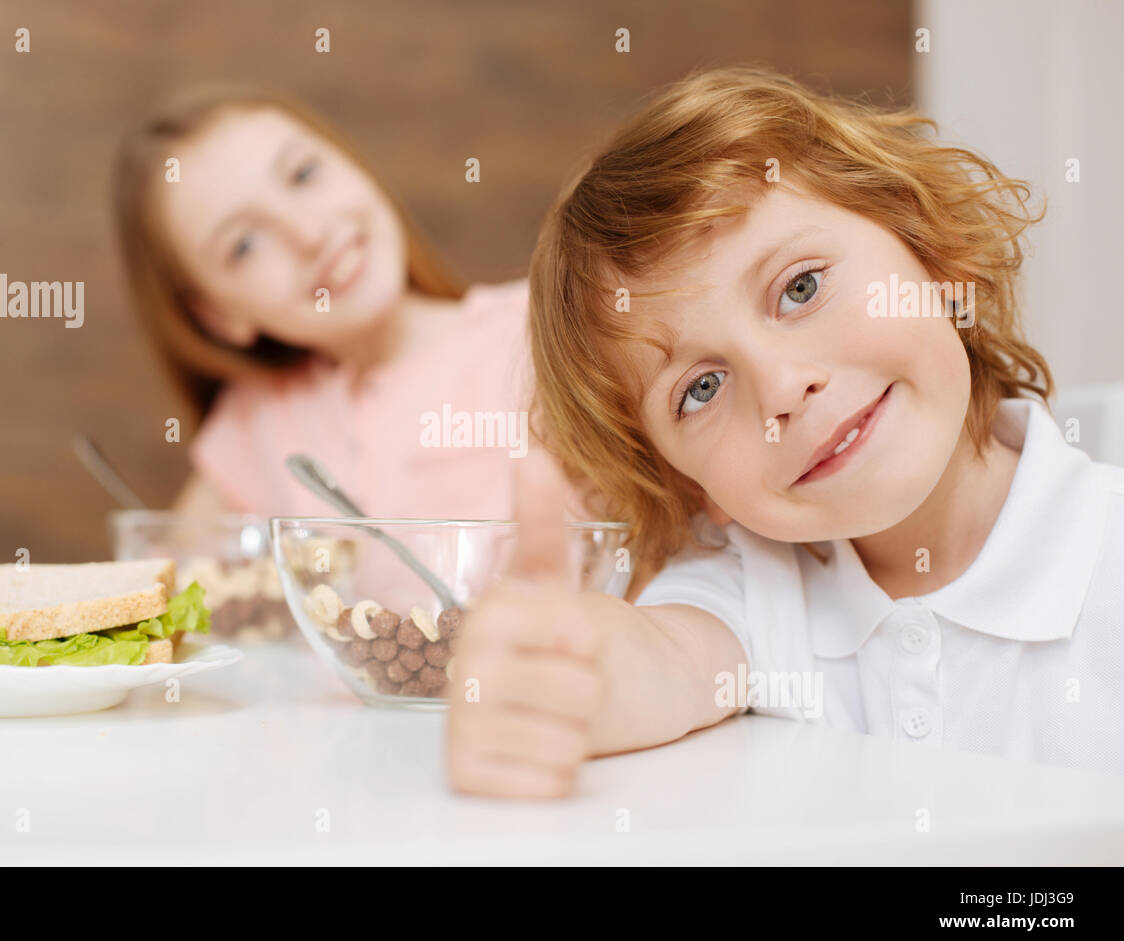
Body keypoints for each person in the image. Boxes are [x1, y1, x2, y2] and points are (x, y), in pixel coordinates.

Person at [446, 66, 1124, 799]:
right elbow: (656, 663)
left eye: (800, 287)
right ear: (689, 484)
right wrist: (556, 679)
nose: (781, 387)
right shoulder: (752, 588)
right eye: (700, 389)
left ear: (932, 254)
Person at [113, 86, 547, 522]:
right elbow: (166, 570)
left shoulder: (550, 336)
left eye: (303, 174)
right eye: (244, 245)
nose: (310, 233)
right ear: (219, 317)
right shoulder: (259, 424)